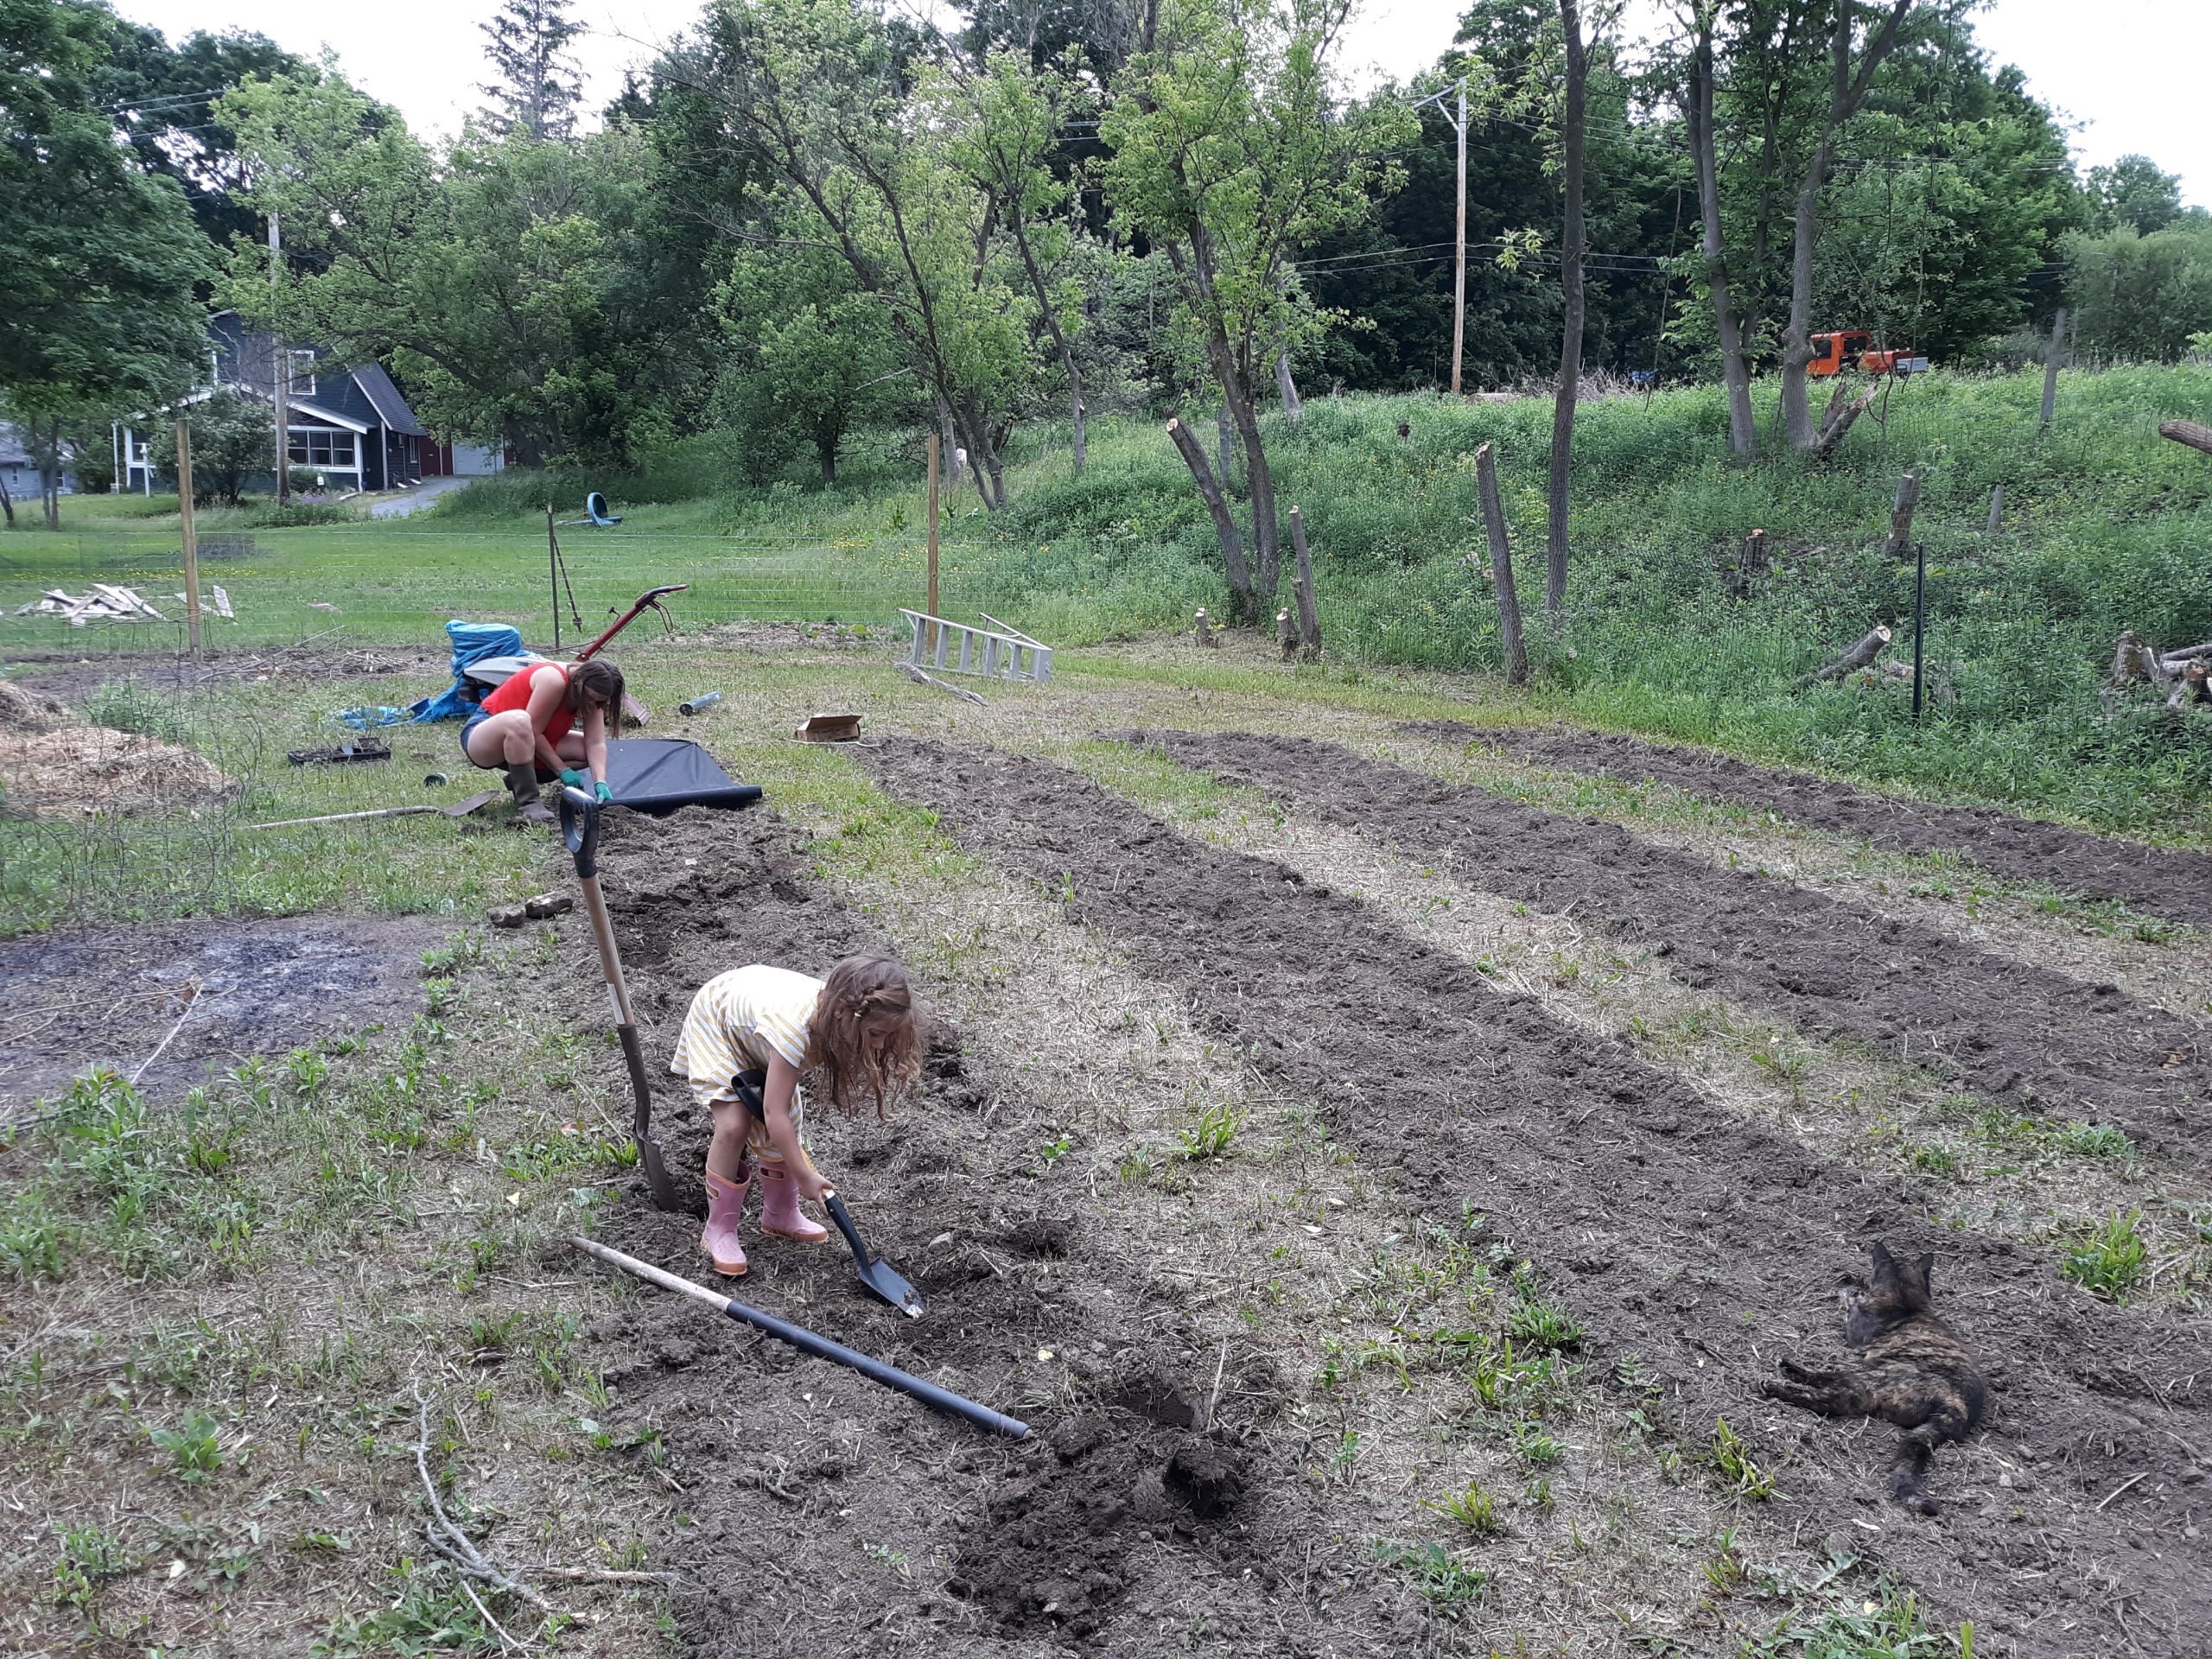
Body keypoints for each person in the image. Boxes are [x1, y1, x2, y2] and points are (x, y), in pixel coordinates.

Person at [670, 956, 924, 1277]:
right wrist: (804, 1175)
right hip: (718, 1021)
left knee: (786, 1121)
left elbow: (780, 1114)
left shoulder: (835, 1017)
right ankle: (718, 1230)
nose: (880, 1044)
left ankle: (780, 1215)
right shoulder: (797, 1029)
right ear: (841, 1011)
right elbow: (773, 1113)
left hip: (756, 1029)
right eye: (875, 1033)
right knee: (736, 1124)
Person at [460, 657, 623, 824]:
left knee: (585, 752)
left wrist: (600, 782)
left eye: (599, 701)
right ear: (579, 682)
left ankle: (520, 779)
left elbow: (595, 742)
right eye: (590, 698)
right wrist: (562, 770)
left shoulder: (592, 693)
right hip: (483, 739)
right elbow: (534, 732)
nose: (592, 704)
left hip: (527, 743)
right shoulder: (554, 680)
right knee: (520, 721)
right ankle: (529, 802)